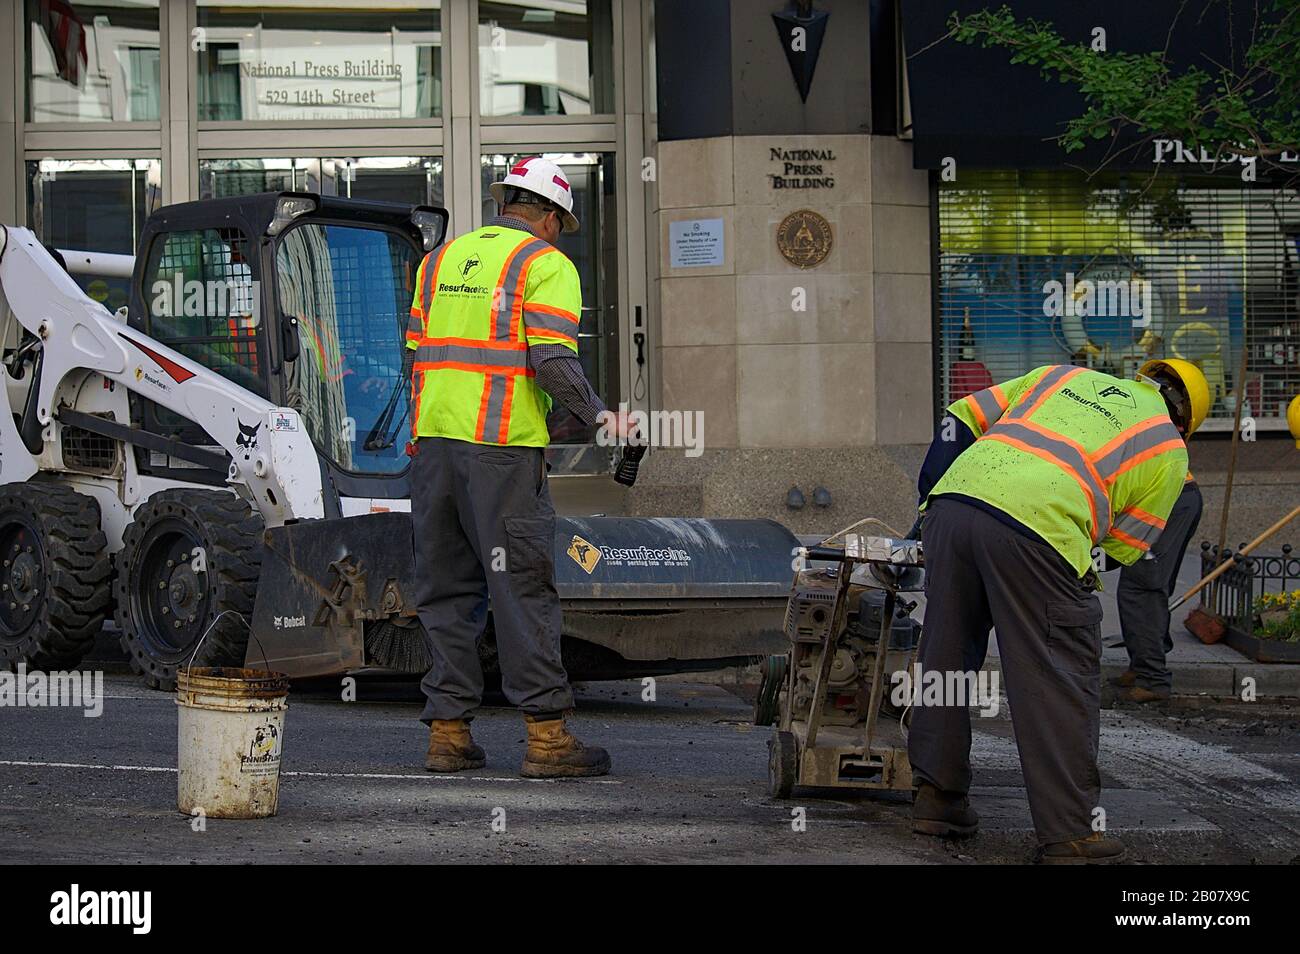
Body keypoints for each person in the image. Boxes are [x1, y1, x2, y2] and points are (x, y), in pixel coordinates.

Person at [908, 361, 1205, 863]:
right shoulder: (1168, 448)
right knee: (1055, 676)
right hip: (1040, 531)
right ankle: (1069, 832)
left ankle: (937, 798)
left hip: (953, 506)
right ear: (1185, 421)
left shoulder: (1060, 376)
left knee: (946, 656)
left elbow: (958, 419)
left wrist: (927, 506)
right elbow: (1127, 548)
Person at [406, 156, 629, 778]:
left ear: (507, 203)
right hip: (500, 452)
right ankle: (548, 740)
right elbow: (552, 361)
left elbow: (425, 359)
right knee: (521, 588)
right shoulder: (545, 264)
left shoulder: (440, 261)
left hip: (434, 449)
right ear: (552, 217)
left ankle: (448, 736)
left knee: (447, 591)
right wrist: (599, 416)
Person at [1112, 360, 1209, 703]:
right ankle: (1142, 665)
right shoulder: (1151, 412)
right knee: (1139, 586)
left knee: (1143, 587)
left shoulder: (1159, 417)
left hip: (1172, 501)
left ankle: (1153, 680)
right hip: (1170, 500)